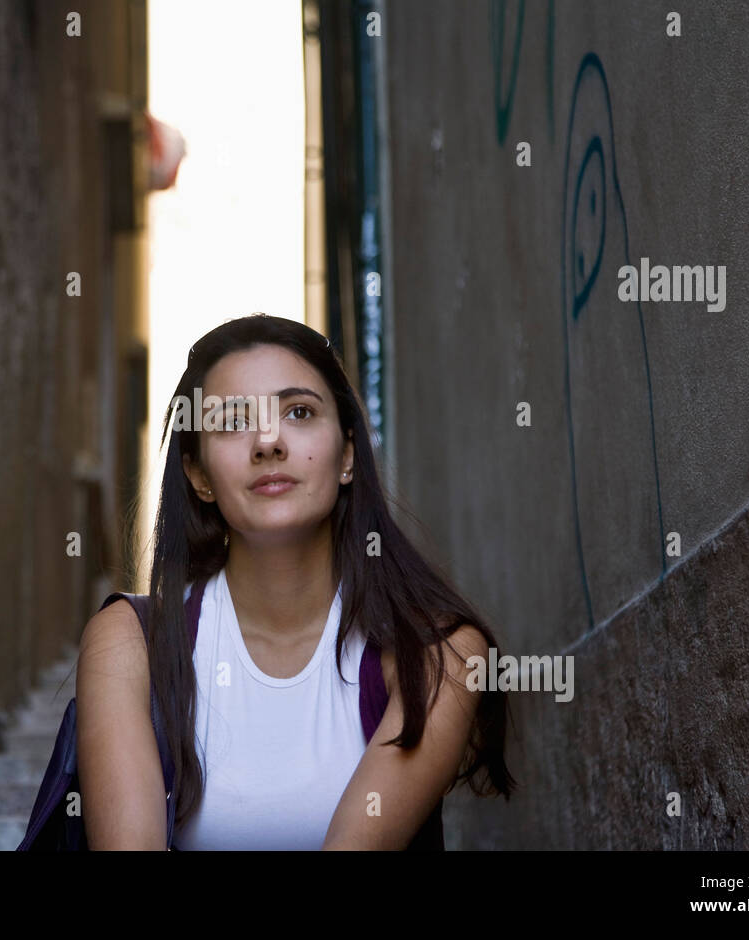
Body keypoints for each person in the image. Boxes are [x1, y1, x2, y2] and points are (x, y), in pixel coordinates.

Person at [76, 313, 515, 849]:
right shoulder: (131, 641)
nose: (268, 442)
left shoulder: (440, 655)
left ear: (348, 454)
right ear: (198, 475)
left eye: (299, 412)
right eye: (233, 420)